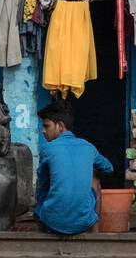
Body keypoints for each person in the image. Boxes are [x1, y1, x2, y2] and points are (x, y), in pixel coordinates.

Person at [36, 99, 113, 235]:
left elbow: (42, 186)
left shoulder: (47, 149)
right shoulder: (88, 147)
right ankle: (96, 232)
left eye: (46, 126)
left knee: (44, 185)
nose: (43, 131)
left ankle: (42, 232)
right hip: (83, 222)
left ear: (60, 126)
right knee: (95, 179)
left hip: (52, 220)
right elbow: (108, 168)